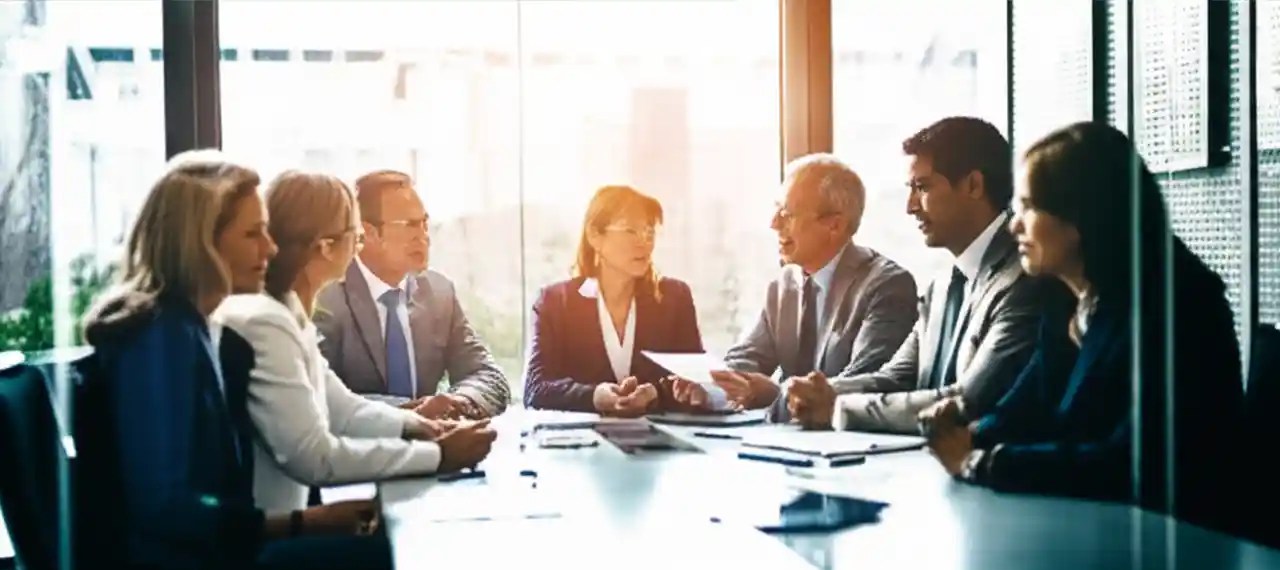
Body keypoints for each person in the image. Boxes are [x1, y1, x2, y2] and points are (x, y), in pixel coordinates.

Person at [80, 151, 469, 570]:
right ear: (201, 242)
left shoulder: (191, 328)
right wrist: (299, 525)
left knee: (388, 565)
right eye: (252, 234)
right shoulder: (162, 338)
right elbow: (166, 509)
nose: (270, 248)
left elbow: (335, 410)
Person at [919, 121, 1243, 529]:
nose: (1014, 225)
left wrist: (984, 462)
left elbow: (1132, 462)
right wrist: (971, 432)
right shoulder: (1066, 296)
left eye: (1029, 207)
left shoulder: (1178, 303)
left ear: (1080, 216)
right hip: (1102, 527)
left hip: (1180, 542)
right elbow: (1031, 401)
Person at [213, 170, 496, 514]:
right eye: (356, 236)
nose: (359, 247)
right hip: (276, 529)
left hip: (295, 515)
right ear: (325, 248)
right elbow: (315, 456)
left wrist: (423, 427)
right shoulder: (268, 321)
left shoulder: (288, 311)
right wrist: (437, 455)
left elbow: (342, 410)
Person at [787, 117, 1055, 433]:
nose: (910, 206)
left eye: (923, 187)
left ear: (974, 185)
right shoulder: (940, 289)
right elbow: (897, 378)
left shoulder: (1025, 280)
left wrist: (837, 408)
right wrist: (824, 392)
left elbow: (968, 401)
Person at [672, 153, 917, 420]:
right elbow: (749, 357)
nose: (773, 224)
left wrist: (777, 395)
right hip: (788, 437)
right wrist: (711, 386)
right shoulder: (783, 285)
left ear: (834, 225)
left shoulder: (887, 286)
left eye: (787, 214)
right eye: (776, 210)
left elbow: (864, 386)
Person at [314, 169, 510, 419]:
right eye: (410, 225)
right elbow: (317, 394)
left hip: (436, 439)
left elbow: (487, 374)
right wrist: (407, 414)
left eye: (425, 224)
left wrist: (458, 402)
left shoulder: (439, 292)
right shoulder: (325, 298)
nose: (424, 237)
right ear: (368, 233)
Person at [523, 185, 704, 415]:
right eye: (630, 231)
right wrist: (594, 397)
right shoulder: (555, 303)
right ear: (595, 235)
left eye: (649, 231)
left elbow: (697, 383)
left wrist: (655, 394)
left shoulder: (674, 298)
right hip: (581, 436)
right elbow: (536, 389)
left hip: (660, 435)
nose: (643, 242)